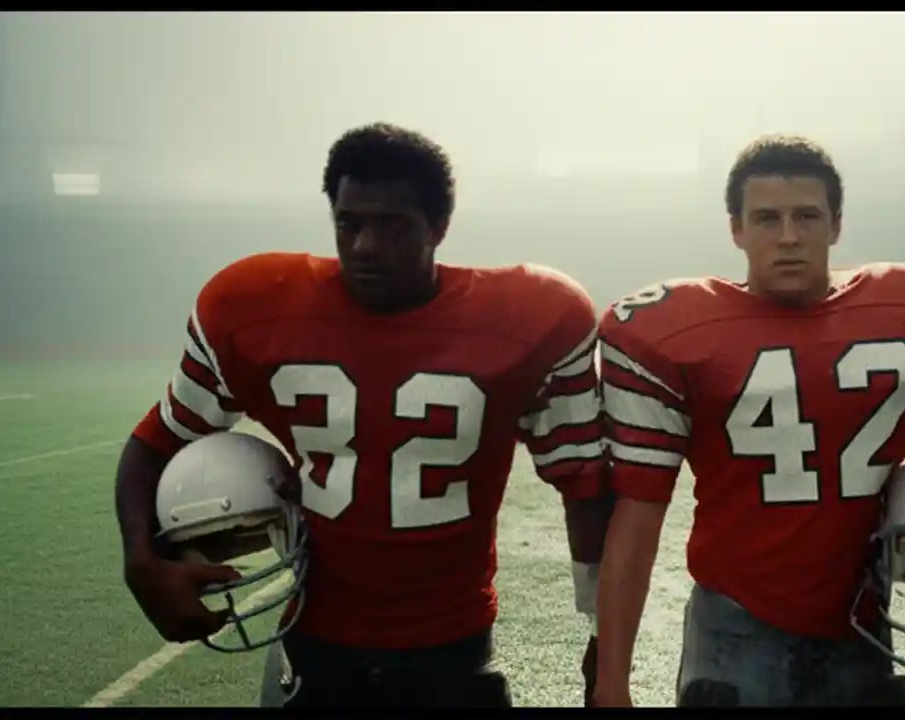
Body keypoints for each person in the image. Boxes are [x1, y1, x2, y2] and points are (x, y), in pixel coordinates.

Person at [114, 121, 614, 708]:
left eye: (392, 225)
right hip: (315, 642)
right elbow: (155, 443)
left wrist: (603, 628)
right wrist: (140, 563)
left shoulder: (533, 319)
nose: (364, 246)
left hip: (453, 649)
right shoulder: (252, 309)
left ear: (439, 227)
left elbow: (585, 487)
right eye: (349, 224)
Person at [591, 134, 905, 707]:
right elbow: (640, 513)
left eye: (807, 216)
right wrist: (611, 682)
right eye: (767, 218)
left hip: (863, 627)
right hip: (735, 624)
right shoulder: (675, 336)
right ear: (737, 230)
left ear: (836, 224)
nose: (789, 236)